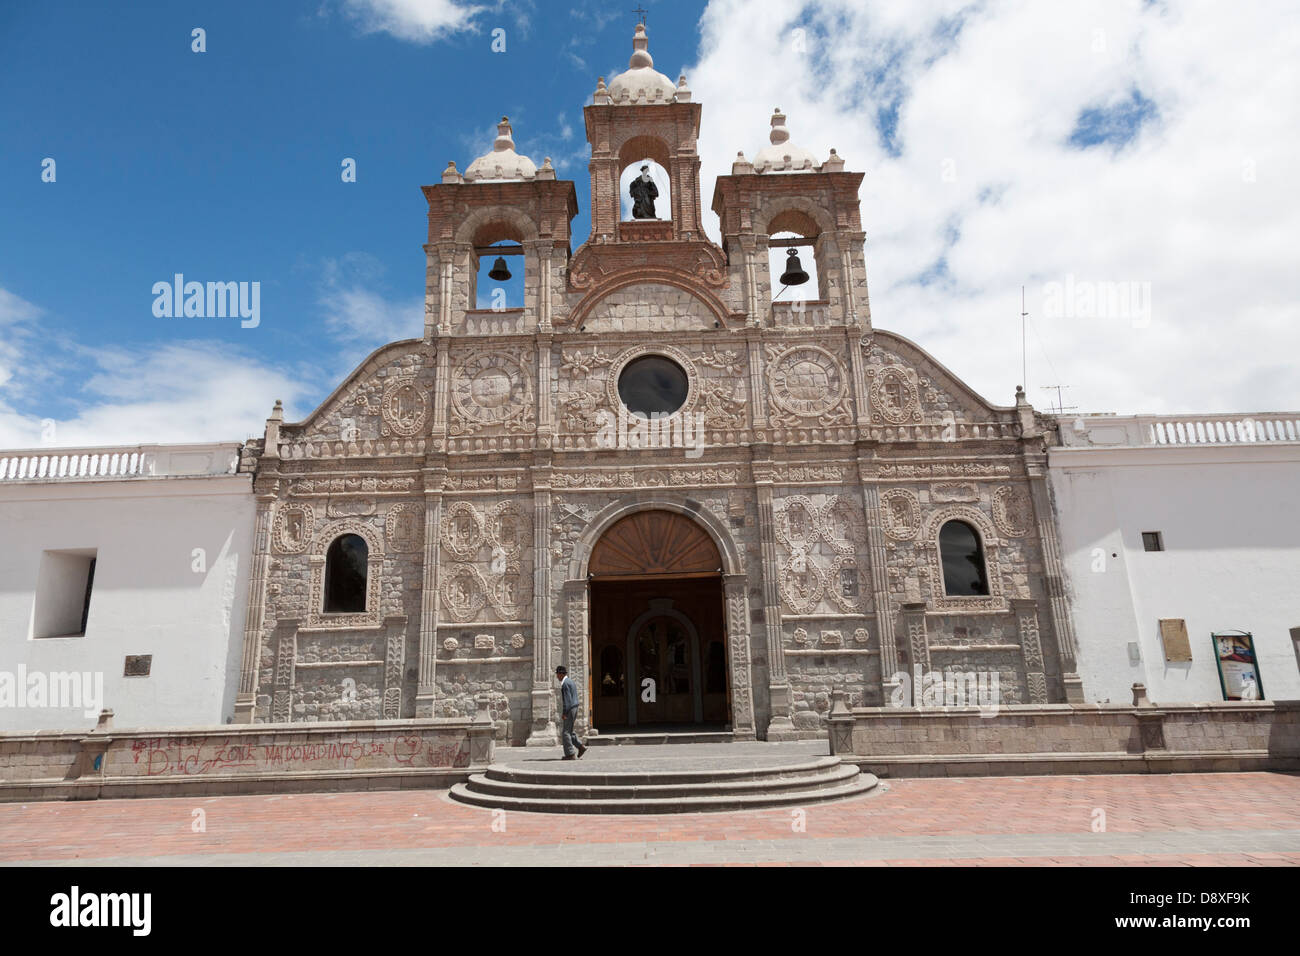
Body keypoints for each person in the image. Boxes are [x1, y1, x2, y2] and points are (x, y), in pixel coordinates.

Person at [555, 665, 587, 760]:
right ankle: (580, 746)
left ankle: (570, 754)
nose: (557, 677)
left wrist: (564, 713)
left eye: (557, 674)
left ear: (561, 674)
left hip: (570, 709)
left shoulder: (565, 684)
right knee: (569, 730)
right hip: (574, 708)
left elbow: (567, 701)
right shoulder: (570, 681)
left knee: (565, 733)